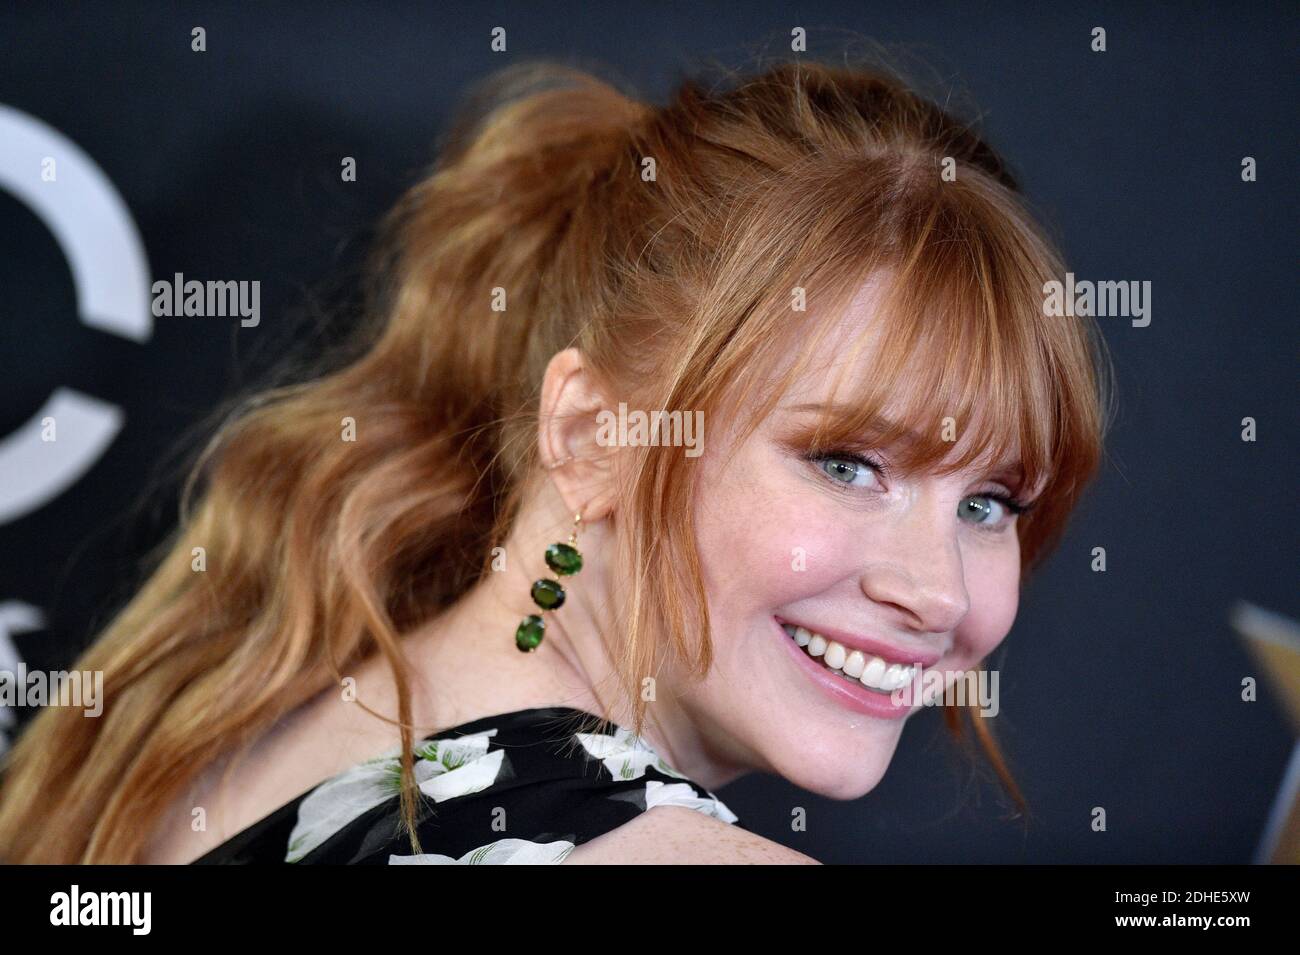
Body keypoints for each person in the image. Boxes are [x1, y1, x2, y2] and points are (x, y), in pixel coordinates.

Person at [0, 55, 1109, 864]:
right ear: (589, 435)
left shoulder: (231, 726)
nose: (936, 591)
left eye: (992, 501)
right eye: (846, 463)